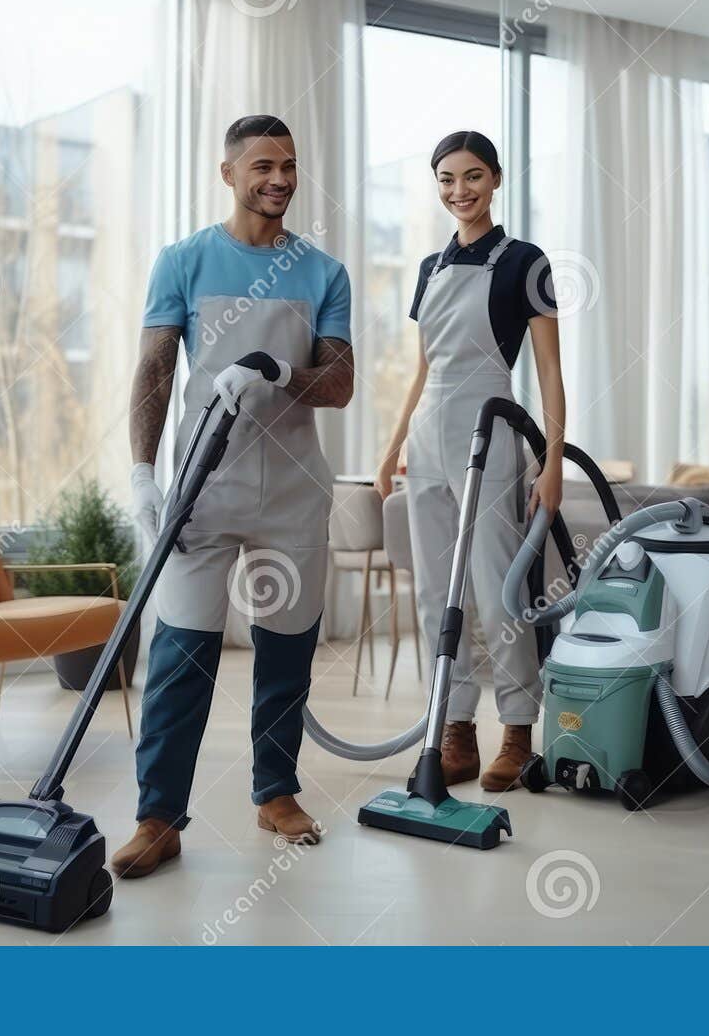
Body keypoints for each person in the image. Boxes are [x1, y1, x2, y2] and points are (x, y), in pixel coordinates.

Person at [112, 115, 354, 879]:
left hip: (291, 490)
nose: (278, 178)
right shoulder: (183, 260)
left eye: (288, 165)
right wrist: (144, 474)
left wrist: (280, 373)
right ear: (228, 174)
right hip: (202, 491)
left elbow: (340, 383)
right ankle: (159, 817)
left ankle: (276, 793)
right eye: (262, 166)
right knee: (181, 652)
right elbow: (154, 371)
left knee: (286, 650)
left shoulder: (323, 272)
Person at [374, 130, 565, 792]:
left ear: (497, 178)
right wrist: (394, 444)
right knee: (435, 593)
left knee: (495, 585)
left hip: (493, 433)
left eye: (473, 176)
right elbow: (423, 367)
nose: (461, 191)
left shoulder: (525, 261)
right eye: (448, 179)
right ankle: (455, 733)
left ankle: (517, 729)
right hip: (430, 438)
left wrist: (554, 460)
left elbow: (548, 369)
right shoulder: (429, 268)